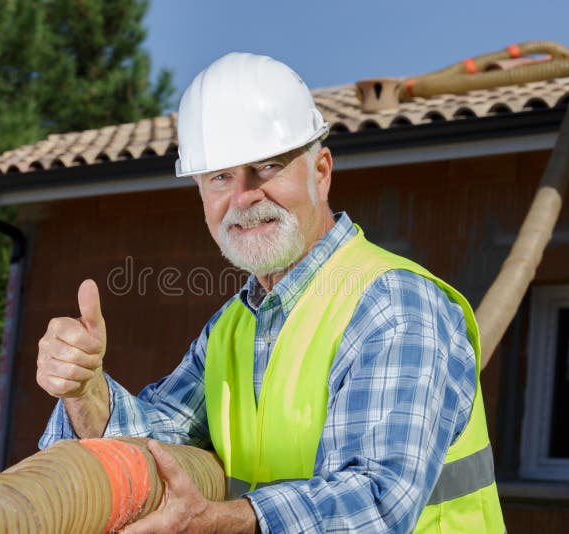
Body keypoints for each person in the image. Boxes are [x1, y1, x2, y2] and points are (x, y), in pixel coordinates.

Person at [37, 52, 505, 533]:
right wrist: (84, 390)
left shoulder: (396, 308)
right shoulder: (233, 327)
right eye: (220, 177)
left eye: (266, 167)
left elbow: (377, 502)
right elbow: (155, 439)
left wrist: (226, 521)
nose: (243, 197)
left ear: (320, 172)